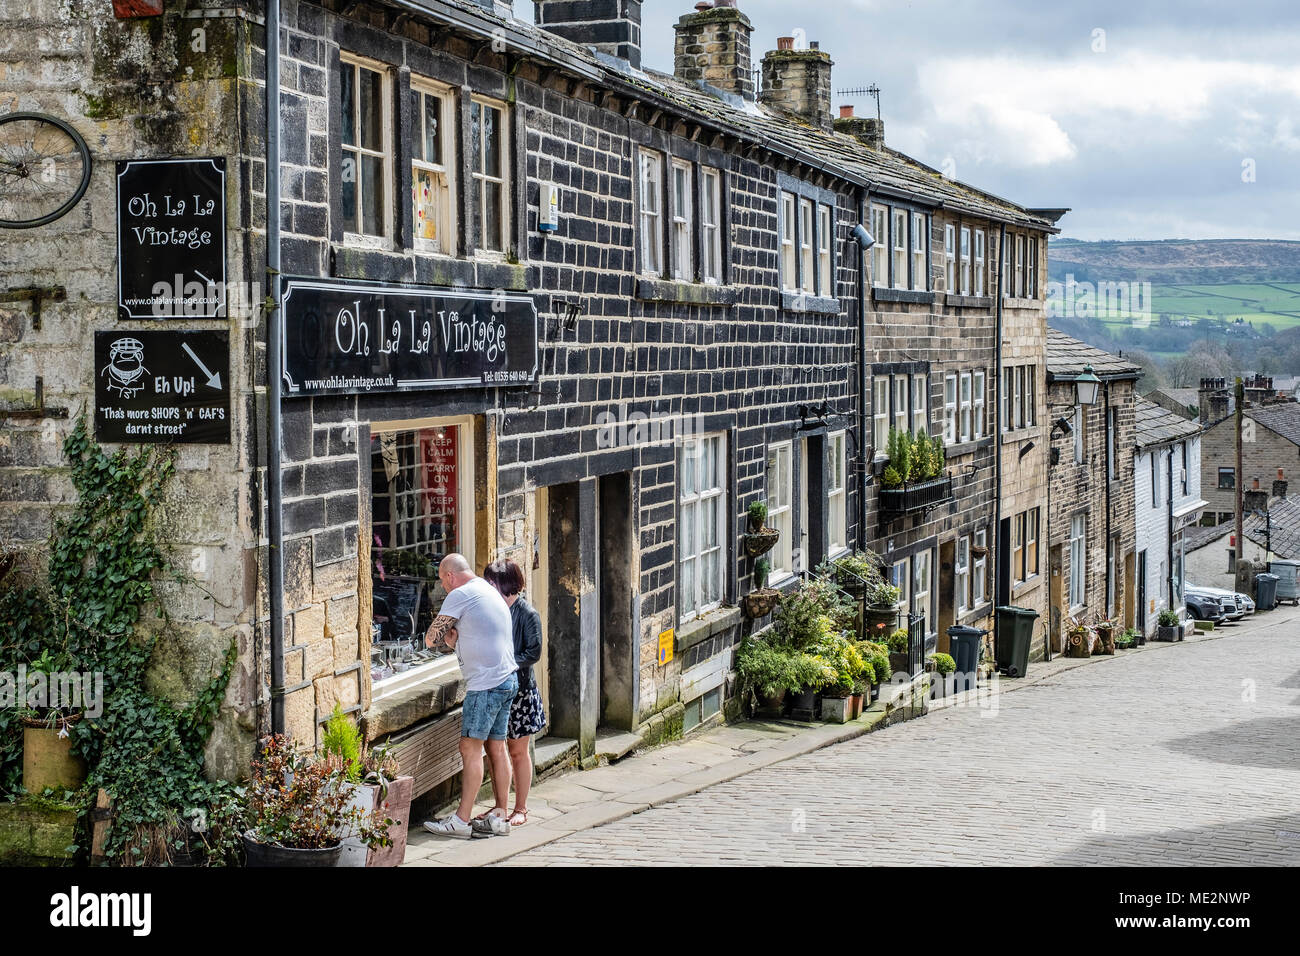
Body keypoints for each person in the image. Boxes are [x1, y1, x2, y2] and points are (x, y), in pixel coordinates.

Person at [421, 553, 517, 839]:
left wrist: (445, 636)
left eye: (442, 581)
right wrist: (456, 639)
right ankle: (501, 815)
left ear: (450, 575)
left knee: (470, 748)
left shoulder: (460, 593)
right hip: (506, 679)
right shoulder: (487, 589)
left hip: (485, 684)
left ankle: (461, 821)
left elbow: (430, 639)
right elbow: (477, 635)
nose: (443, 588)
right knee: (497, 748)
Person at [483, 558, 545, 828]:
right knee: (495, 750)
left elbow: (534, 652)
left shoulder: (527, 614)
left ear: (505, 585)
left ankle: (520, 808)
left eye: (491, 583)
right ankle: (499, 807)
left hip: (520, 692)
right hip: (495, 689)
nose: (487, 587)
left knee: (518, 752)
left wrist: (504, 661)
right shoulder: (491, 610)